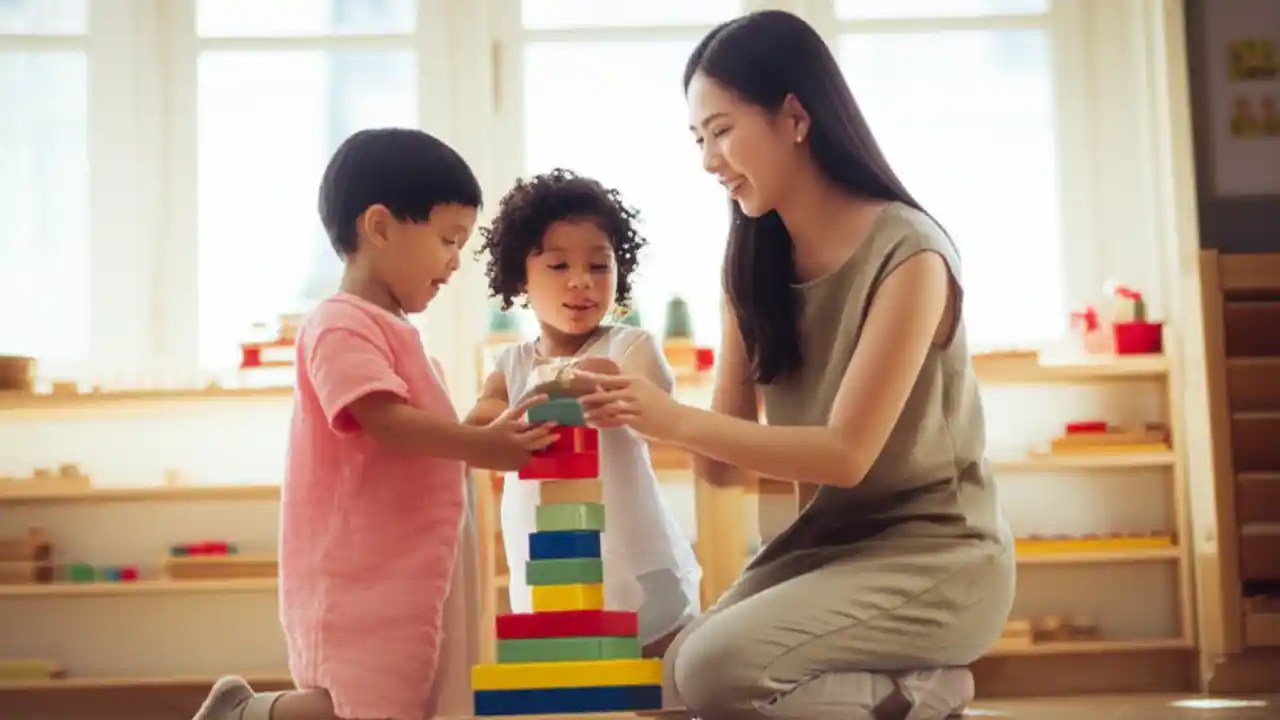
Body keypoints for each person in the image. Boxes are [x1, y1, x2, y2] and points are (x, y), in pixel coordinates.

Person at [575, 10, 1015, 720]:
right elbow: (723, 468)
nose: (708, 159)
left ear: (794, 117)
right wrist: (643, 406)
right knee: (665, 683)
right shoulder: (752, 264)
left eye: (720, 130)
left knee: (714, 671)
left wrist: (673, 417)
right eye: (698, 139)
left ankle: (928, 691)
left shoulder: (911, 256)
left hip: (938, 560)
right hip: (825, 551)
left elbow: (845, 456)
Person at [192, 128, 558, 720]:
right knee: (368, 707)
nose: (454, 262)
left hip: (408, 572)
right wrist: (481, 445)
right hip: (361, 580)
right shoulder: (340, 324)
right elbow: (385, 421)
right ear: (381, 227)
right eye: (447, 239)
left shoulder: (394, 332)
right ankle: (244, 713)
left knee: (398, 704)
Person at [466, 168, 702, 656]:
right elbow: (479, 427)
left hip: (635, 563)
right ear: (520, 278)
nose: (581, 282)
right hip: (553, 571)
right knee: (574, 681)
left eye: (599, 266)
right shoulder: (511, 364)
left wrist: (586, 380)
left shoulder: (628, 343)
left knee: (661, 683)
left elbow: (648, 390)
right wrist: (494, 422)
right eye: (557, 267)